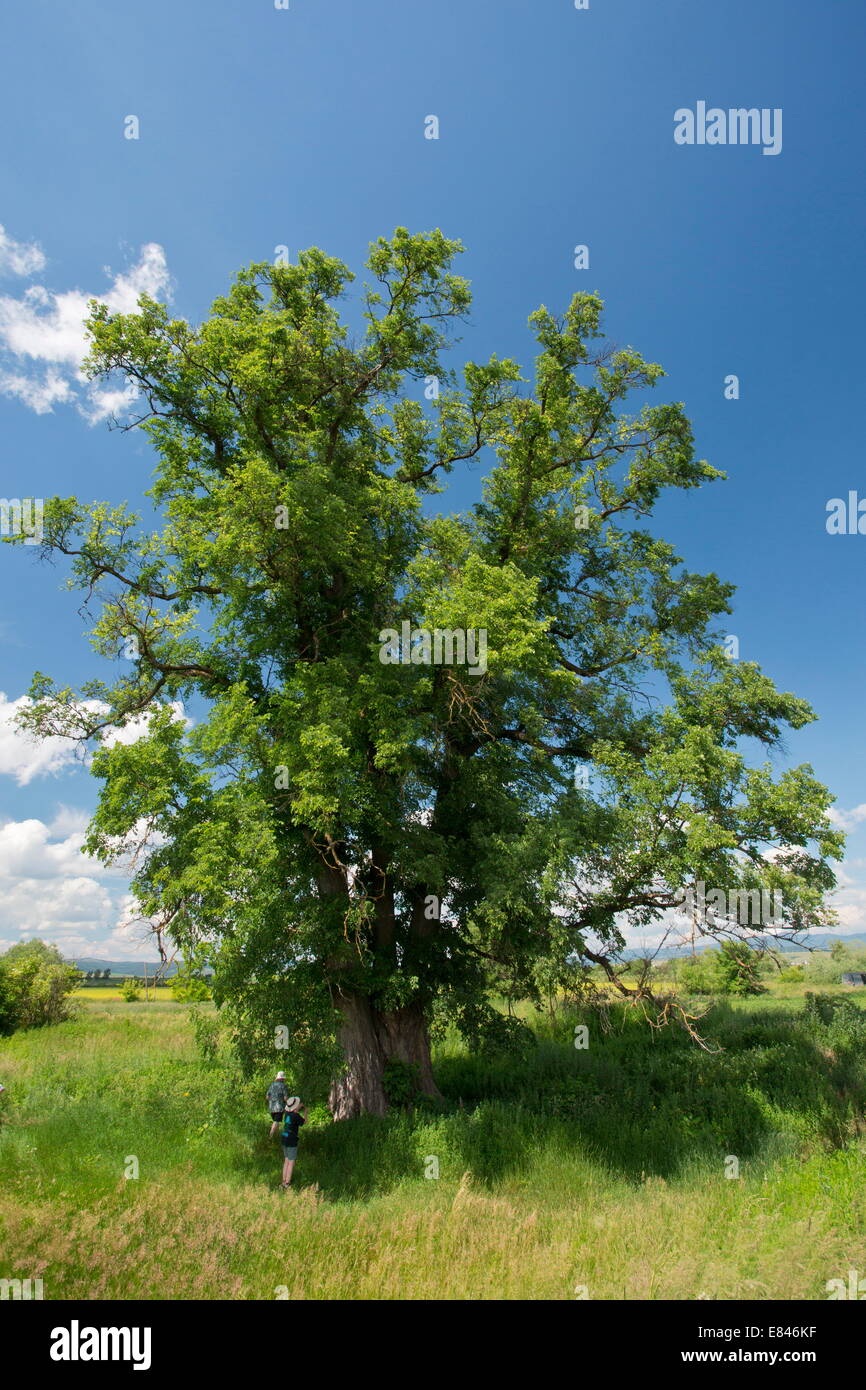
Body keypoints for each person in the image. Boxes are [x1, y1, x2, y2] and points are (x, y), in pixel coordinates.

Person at [279, 1096, 306, 1189]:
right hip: (292, 1139)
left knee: (286, 1160)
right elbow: (304, 1122)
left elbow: (294, 1111)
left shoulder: (287, 1114)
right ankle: (287, 1183)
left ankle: (283, 1181)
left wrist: (299, 1107)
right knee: (291, 1162)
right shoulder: (296, 1116)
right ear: (295, 1107)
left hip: (284, 1137)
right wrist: (306, 1112)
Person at [266, 1071, 290, 1136]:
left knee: (276, 1122)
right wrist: (289, 1104)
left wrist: (273, 1100)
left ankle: (276, 1138)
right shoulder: (284, 1086)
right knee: (276, 1122)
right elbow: (285, 1098)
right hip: (279, 1107)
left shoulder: (272, 1085)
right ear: (282, 1079)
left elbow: (267, 1097)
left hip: (271, 1107)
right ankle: (270, 1137)